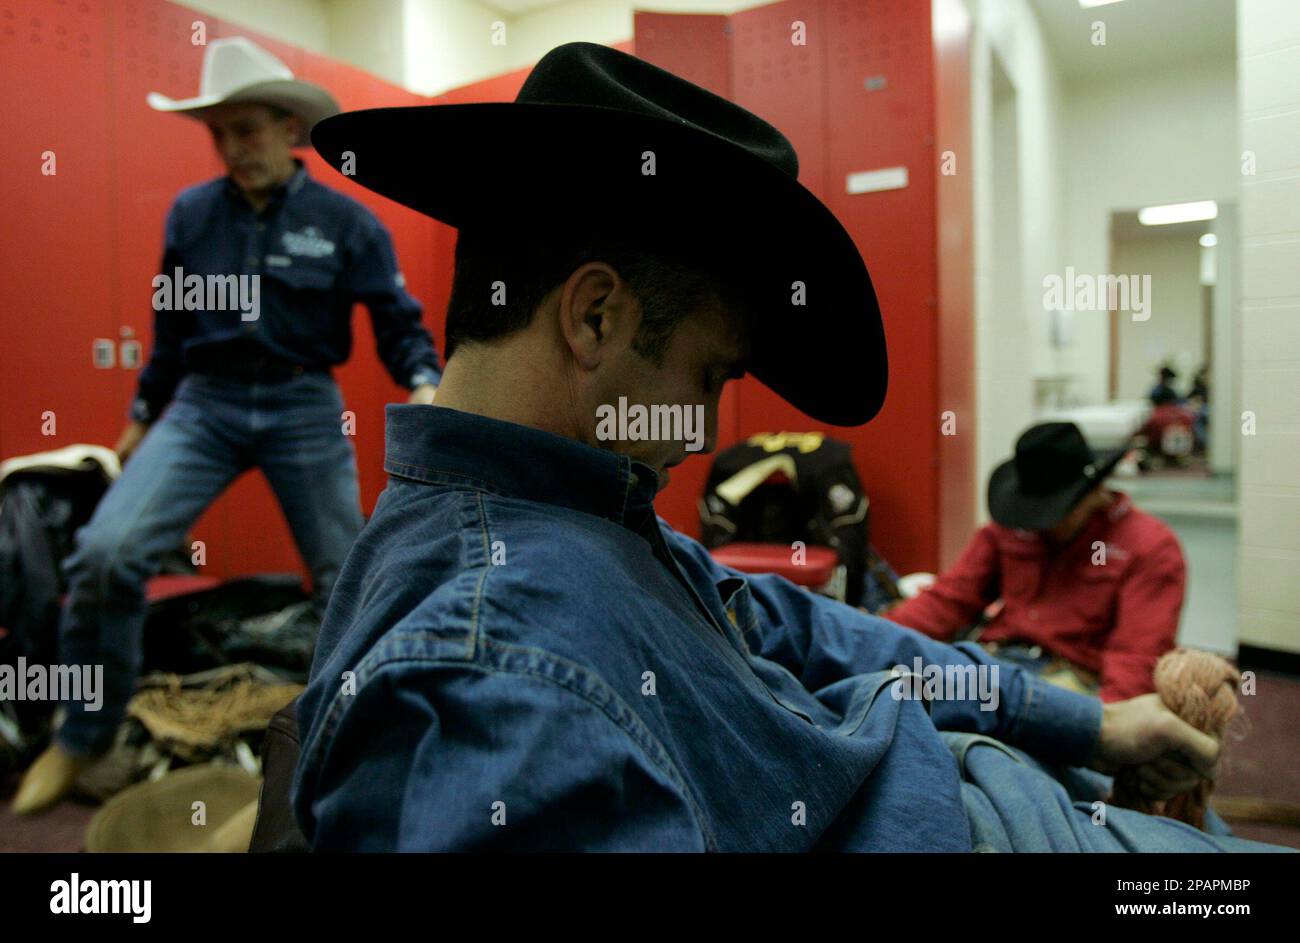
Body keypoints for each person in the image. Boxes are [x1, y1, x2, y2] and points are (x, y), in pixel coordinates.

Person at [290, 43, 1283, 851]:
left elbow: (806, 629)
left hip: (982, 777)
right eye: (712, 376)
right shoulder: (495, 670)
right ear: (593, 317)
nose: (710, 431)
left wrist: (1089, 721)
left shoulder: (582, 518)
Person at [12, 38, 443, 814]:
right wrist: (142, 417)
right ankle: (82, 739)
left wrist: (425, 378)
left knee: (350, 577)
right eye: (220, 134)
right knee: (107, 552)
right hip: (203, 404)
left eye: (246, 130)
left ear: (288, 129)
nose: (231, 149)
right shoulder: (192, 215)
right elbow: (170, 329)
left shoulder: (346, 223)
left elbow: (396, 319)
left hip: (303, 404)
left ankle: (365, 741)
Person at [886, 422, 1182, 702]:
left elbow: (1137, 656)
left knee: (975, 740)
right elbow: (950, 600)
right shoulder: (1009, 530)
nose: (1037, 525)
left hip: (1070, 681)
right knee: (891, 700)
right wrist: (874, 637)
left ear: (1091, 494)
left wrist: (1103, 727)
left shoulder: (1149, 547)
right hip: (992, 663)